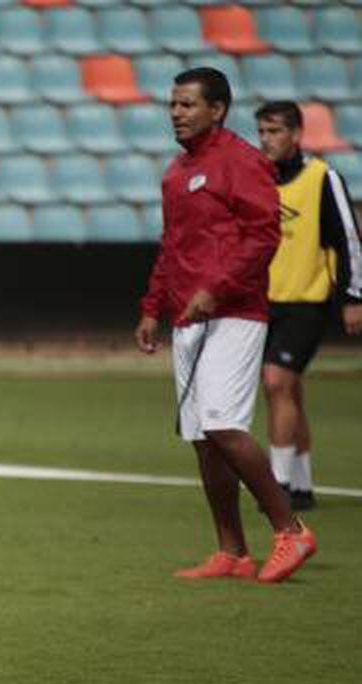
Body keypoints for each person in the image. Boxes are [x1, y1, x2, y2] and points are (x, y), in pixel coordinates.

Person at [134, 68, 316, 584]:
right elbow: (171, 246)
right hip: (189, 320)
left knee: (222, 425)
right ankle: (231, 550)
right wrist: (153, 307)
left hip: (235, 314)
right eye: (173, 104)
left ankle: (291, 529)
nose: (176, 113)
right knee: (201, 437)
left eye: (188, 104)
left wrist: (217, 287)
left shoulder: (243, 162)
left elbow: (263, 237)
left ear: (218, 109)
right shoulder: (175, 172)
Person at [251, 100, 362, 513]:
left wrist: (353, 296)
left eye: (274, 131)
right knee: (287, 390)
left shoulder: (322, 177)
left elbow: (348, 238)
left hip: (307, 301)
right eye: (261, 131)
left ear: (296, 135)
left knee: (276, 381)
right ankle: (302, 483)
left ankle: (276, 485)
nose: (266, 140)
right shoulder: (258, 180)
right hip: (265, 302)